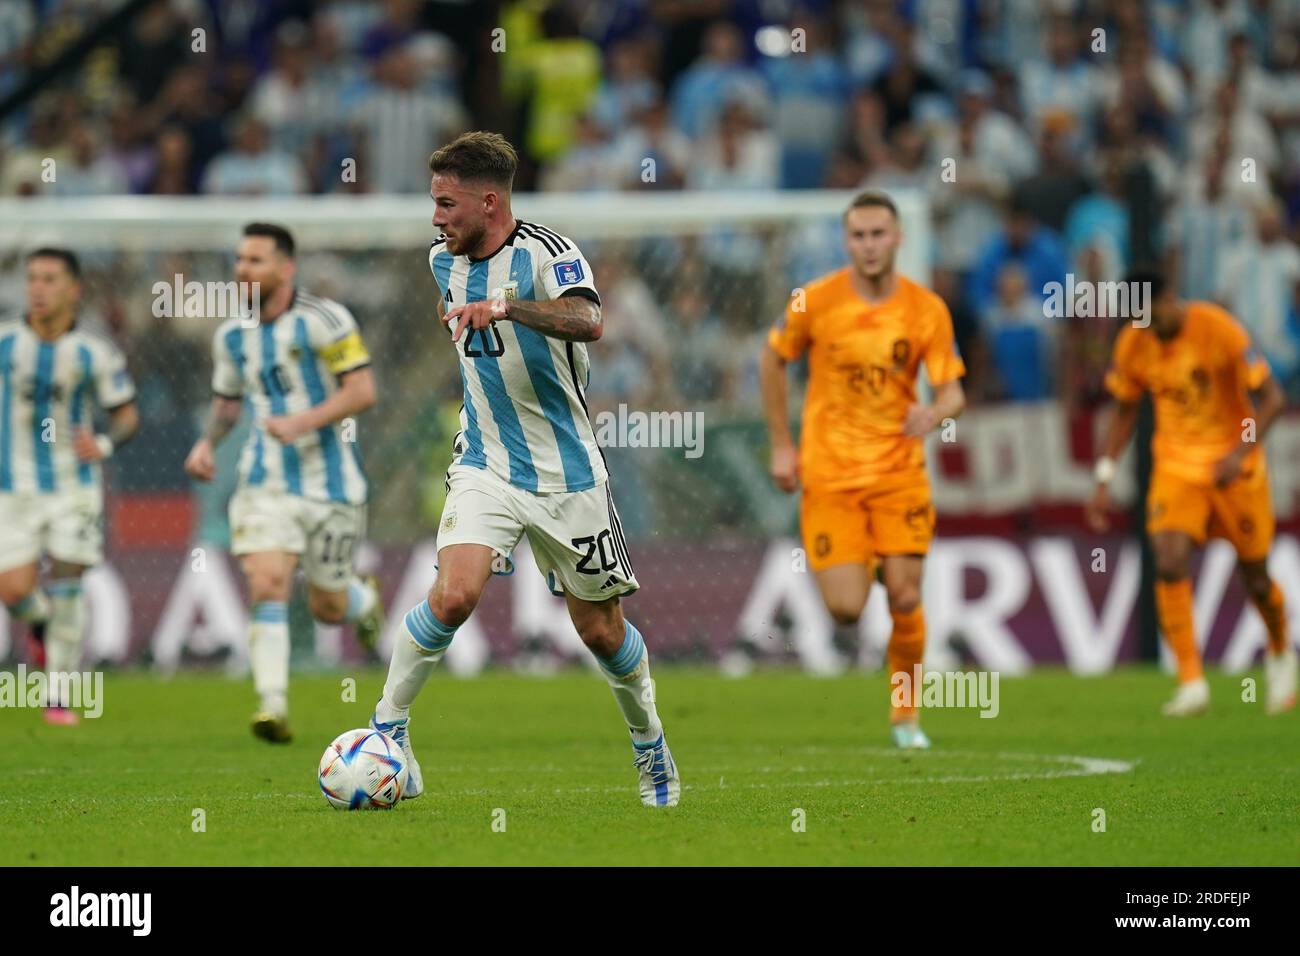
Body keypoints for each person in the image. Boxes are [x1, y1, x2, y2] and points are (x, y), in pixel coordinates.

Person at [368, 131, 681, 807]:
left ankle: (649, 741)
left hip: (569, 473)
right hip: (485, 462)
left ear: (489, 201)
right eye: (433, 203)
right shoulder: (440, 263)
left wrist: (508, 307)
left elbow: (590, 320)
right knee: (454, 596)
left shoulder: (549, 253)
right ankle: (388, 730)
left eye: (447, 204)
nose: (436, 217)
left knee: (600, 630)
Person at [759, 190, 966, 748]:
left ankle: (906, 716)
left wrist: (935, 410)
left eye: (879, 234)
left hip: (899, 473)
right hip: (831, 475)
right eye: (859, 235)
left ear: (898, 239)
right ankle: (876, 558)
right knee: (847, 610)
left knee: (904, 598)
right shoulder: (815, 301)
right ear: (846, 241)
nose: (869, 245)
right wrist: (782, 444)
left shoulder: (927, 309)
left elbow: (953, 393)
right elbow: (773, 357)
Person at [184, 223, 384, 742]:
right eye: (239, 260)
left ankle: (362, 600)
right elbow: (228, 402)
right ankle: (271, 704)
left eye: (255, 261)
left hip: (332, 483)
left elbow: (362, 391)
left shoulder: (326, 320)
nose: (243, 270)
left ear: (285, 268)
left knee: (328, 607)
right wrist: (208, 442)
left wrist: (302, 422)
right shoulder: (232, 336)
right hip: (264, 480)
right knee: (267, 582)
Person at [1087, 271, 1296, 716]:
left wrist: (1242, 451)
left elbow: (1272, 398)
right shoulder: (1135, 340)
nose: (1145, 325)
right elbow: (1125, 408)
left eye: (1149, 314)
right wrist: (1104, 474)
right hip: (1177, 468)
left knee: (1255, 577)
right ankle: (1191, 681)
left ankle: (1280, 653)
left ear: (1167, 297)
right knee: (1168, 557)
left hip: (1233, 470)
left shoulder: (1218, 329)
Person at [0, 249, 139, 724]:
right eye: (32, 278)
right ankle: (36, 622)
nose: (37, 288)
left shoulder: (93, 353)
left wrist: (103, 442)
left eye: (49, 279)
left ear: (73, 289)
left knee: (67, 580)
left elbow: (125, 415)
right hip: (11, 487)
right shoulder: (4, 343)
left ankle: (57, 694)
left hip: (72, 486)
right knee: (13, 588)